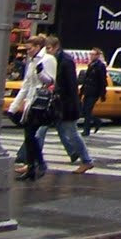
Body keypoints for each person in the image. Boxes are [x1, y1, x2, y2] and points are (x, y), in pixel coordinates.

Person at [44, 36, 93, 171]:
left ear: (56, 47)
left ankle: (86, 159)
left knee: (71, 132)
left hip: (66, 104)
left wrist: (63, 98)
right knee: (59, 130)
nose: (47, 51)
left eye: (49, 48)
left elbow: (71, 85)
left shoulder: (65, 61)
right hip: (60, 103)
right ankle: (74, 153)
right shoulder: (55, 60)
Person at [12, 36, 56, 181]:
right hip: (31, 102)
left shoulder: (48, 59)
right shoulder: (32, 61)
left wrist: (40, 72)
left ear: (38, 47)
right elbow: (26, 85)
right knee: (28, 135)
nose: (28, 51)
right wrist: (14, 107)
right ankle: (32, 167)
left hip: (40, 103)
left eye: (30, 48)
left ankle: (40, 164)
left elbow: (50, 81)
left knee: (30, 134)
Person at [78, 49, 108, 135]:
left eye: (93, 54)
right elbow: (86, 79)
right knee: (84, 110)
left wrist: (102, 93)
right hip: (87, 90)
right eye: (90, 54)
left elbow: (102, 80)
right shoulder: (91, 65)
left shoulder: (100, 66)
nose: (91, 56)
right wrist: (81, 92)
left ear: (97, 55)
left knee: (88, 109)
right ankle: (97, 121)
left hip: (94, 91)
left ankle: (86, 130)